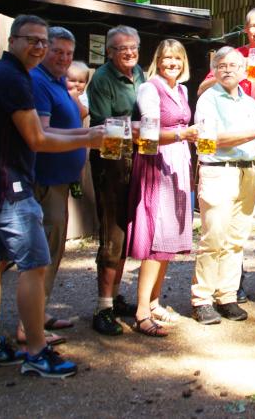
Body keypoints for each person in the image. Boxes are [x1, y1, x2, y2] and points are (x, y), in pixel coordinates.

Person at [0, 14, 103, 378]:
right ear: (12, 41)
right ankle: (35, 351)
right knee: (34, 265)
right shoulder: (15, 79)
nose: (40, 47)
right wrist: (89, 137)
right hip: (12, 187)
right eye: (33, 40)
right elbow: (38, 139)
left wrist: (88, 134)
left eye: (43, 41)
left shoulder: (2, 74)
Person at [197, 6, 255, 304]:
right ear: (246, 30)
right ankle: (215, 292)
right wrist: (230, 72)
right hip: (234, 143)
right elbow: (202, 90)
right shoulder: (233, 57)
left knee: (254, 226)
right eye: (253, 26)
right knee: (217, 231)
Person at [191, 47, 255, 324]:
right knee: (213, 238)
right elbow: (211, 139)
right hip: (218, 172)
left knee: (236, 240)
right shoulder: (207, 100)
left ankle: (226, 296)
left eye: (234, 65)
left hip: (246, 173)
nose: (227, 70)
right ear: (214, 70)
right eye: (221, 65)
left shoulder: (250, 103)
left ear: (244, 71)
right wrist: (254, 132)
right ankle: (202, 299)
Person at [127, 40, 198, 337]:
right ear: (158, 60)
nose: (173, 63)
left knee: (169, 237)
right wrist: (183, 133)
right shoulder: (149, 87)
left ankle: (154, 302)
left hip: (178, 162)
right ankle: (142, 311)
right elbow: (148, 132)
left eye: (178, 58)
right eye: (167, 58)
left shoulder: (181, 90)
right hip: (157, 162)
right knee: (157, 237)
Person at [21, 26, 87, 345]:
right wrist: (91, 137)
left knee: (54, 249)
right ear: (45, 50)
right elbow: (43, 135)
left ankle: (40, 314)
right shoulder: (38, 82)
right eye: (57, 51)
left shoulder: (58, 81)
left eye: (68, 54)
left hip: (59, 182)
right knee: (42, 253)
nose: (63, 58)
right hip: (44, 180)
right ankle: (27, 326)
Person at [87, 25, 144, 335]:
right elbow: (104, 125)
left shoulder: (141, 75)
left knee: (127, 231)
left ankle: (116, 296)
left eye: (133, 46)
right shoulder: (102, 78)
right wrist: (140, 127)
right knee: (113, 233)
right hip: (111, 162)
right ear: (109, 52)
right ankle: (103, 307)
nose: (129, 51)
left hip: (136, 159)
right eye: (122, 47)